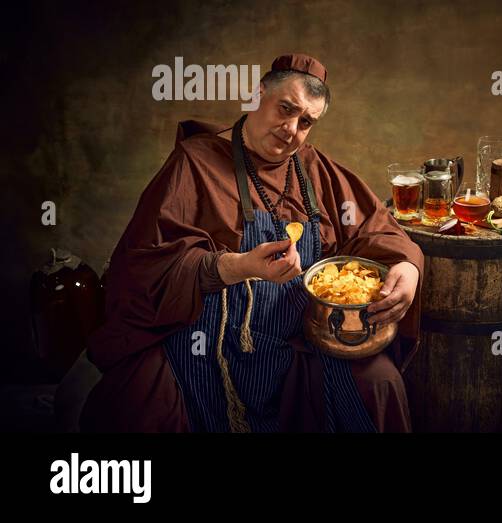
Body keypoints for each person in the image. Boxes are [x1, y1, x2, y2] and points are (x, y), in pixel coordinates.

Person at [82, 53, 423, 432]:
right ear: (257, 94)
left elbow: (378, 229)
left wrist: (407, 267)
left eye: (306, 121)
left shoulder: (315, 169)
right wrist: (237, 267)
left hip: (298, 336)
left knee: (380, 384)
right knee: (142, 406)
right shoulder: (195, 163)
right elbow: (142, 267)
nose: (292, 129)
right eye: (286, 109)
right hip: (205, 337)